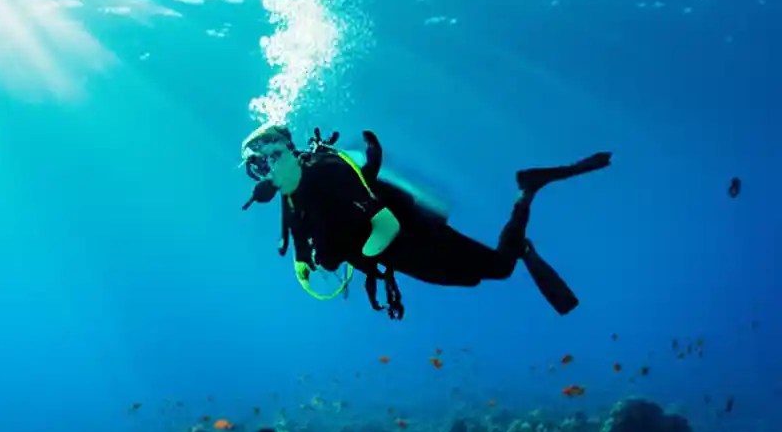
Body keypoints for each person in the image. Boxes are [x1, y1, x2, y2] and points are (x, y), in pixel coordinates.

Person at [240, 124, 611, 319]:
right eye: (257, 166)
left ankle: (528, 190)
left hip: (412, 238)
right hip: (398, 258)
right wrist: (304, 261)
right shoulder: (290, 192)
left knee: (499, 269)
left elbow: (383, 223)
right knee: (470, 278)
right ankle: (524, 211)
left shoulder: (327, 173)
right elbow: (297, 226)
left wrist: (358, 252)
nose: (266, 171)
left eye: (271, 158)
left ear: (289, 151)